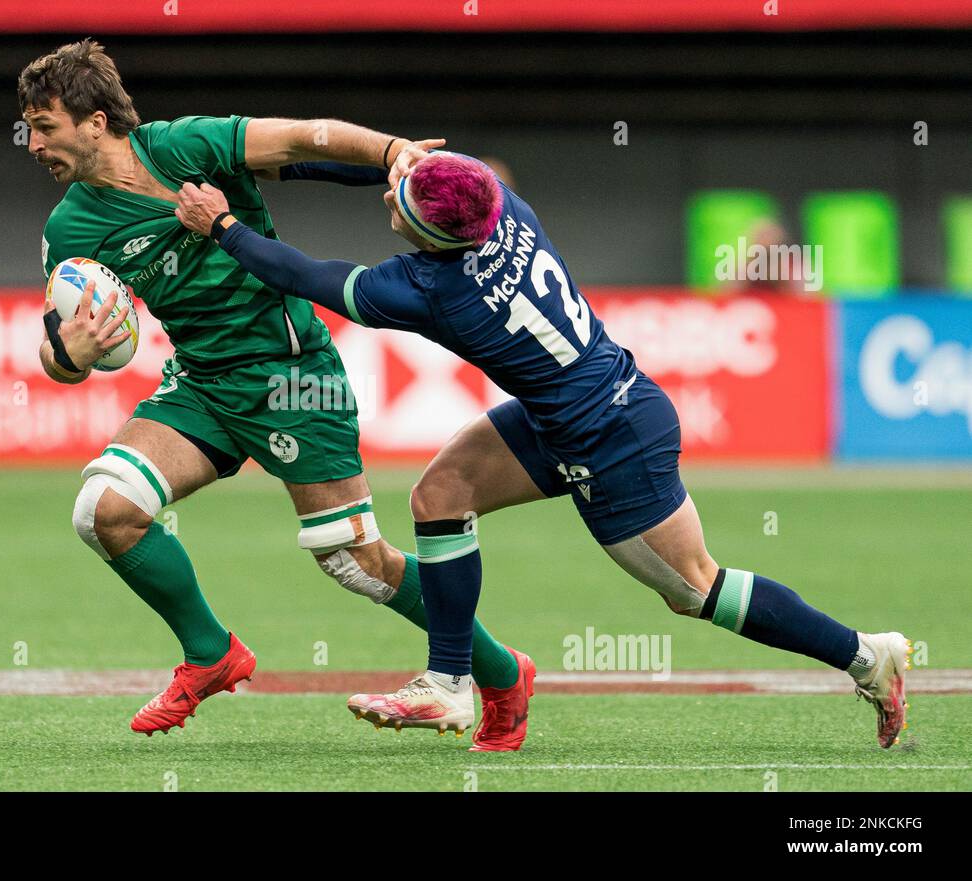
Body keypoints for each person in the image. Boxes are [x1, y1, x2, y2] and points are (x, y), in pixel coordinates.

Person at [172, 150, 912, 750]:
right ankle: (451, 682)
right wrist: (286, 158)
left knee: (696, 590)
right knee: (441, 494)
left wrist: (225, 224)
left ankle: (865, 654)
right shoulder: (498, 203)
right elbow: (439, 167)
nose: (391, 200)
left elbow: (304, 276)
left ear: (433, 242)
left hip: (607, 438)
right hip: (580, 405)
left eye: (404, 206)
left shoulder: (434, 290)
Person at [20, 40, 532, 749]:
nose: (32, 141)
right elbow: (55, 346)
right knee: (105, 511)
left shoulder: (183, 146)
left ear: (96, 119)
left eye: (44, 125)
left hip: (293, 374)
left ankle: (502, 672)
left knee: (353, 560)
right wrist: (67, 360)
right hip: (202, 383)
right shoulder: (69, 228)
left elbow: (298, 139)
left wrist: (391, 154)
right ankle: (211, 653)